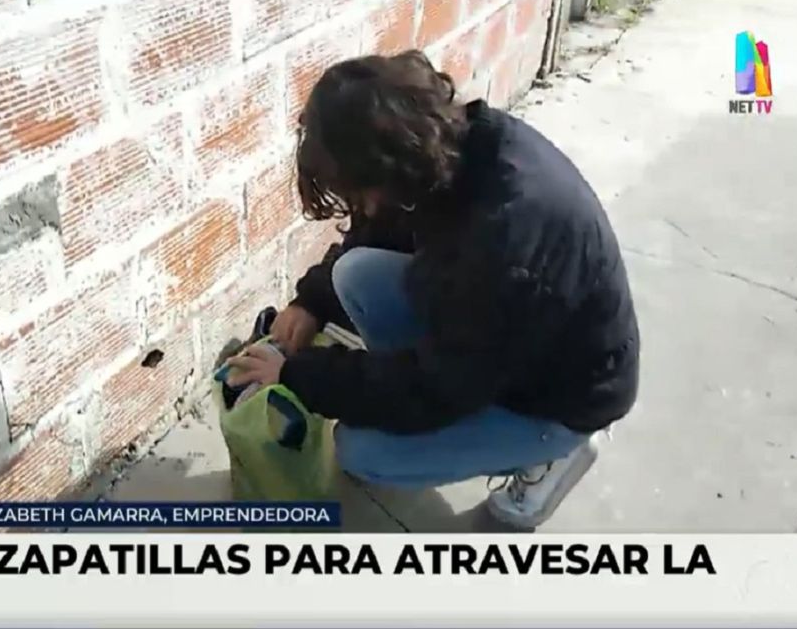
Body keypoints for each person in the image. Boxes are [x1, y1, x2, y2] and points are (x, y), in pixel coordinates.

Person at [225, 50, 640, 528]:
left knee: (364, 451)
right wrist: (310, 303)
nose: (359, 205)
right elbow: (378, 226)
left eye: (358, 192)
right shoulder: (444, 149)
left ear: (390, 166)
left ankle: (549, 456)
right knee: (353, 275)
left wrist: (299, 375)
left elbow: (435, 388)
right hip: (500, 342)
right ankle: (420, 408)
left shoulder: (509, 233)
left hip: (560, 397)